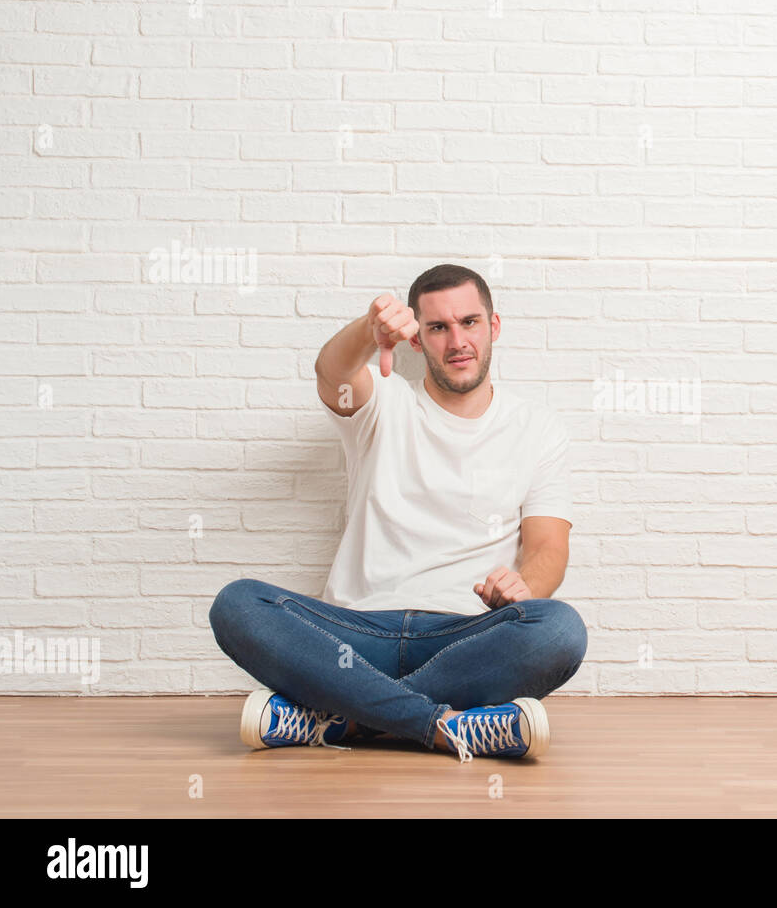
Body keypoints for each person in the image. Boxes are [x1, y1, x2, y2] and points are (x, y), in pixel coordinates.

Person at [208, 264, 586, 763]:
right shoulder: (382, 402)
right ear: (415, 340)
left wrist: (526, 589)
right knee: (237, 604)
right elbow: (332, 372)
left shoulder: (538, 428)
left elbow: (547, 548)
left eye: (469, 322)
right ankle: (444, 727)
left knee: (559, 629)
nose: (457, 341)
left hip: (463, 636)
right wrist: (369, 330)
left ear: (493, 327)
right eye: (438, 327)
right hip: (355, 634)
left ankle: (340, 720)